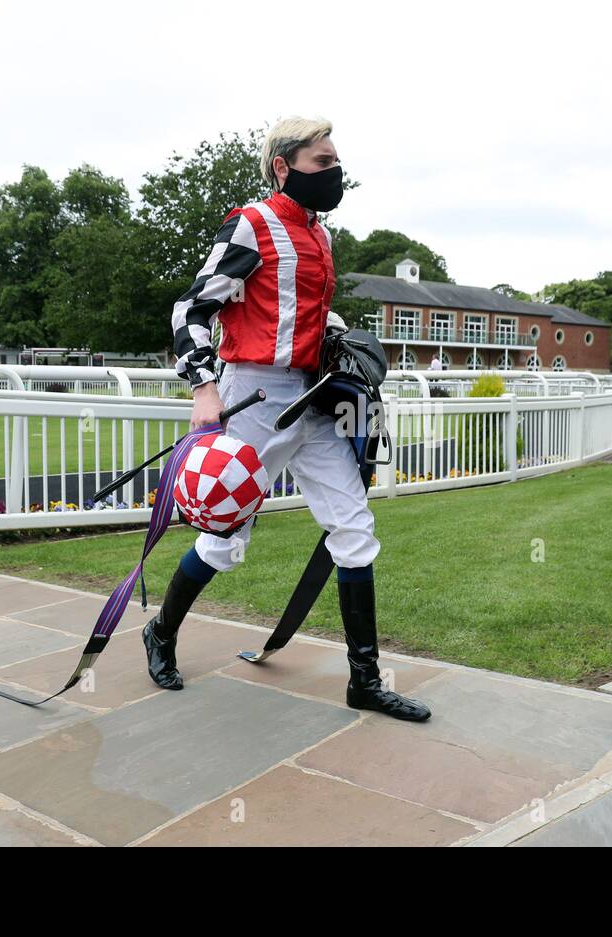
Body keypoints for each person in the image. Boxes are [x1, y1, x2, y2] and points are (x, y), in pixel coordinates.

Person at [149, 117, 431, 721]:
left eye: (336, 162)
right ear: (284, 166)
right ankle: (161, 631)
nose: (336, 174)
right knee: (224, 540)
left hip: (317, 396)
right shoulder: (252, 223)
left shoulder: (322, 237)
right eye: (322, 162)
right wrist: (202, 386)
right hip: (252, 396)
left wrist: (336, 337)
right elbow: (192, 307)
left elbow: (303, 315)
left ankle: (365, 681)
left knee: (354, 533)